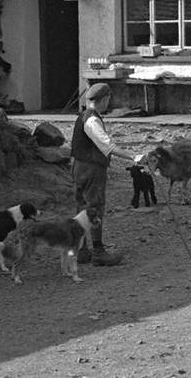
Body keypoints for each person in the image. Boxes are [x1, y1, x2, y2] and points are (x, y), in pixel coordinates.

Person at [71, 82, 136, 266]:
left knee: (81, 207)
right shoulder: (92, 120)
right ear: (105, 99)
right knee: (95, 207)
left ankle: (81, 250)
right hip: (92, 168)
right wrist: (133, 157)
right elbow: (107, 145)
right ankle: (98, 252)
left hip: (78, 166)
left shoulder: (82, 116)